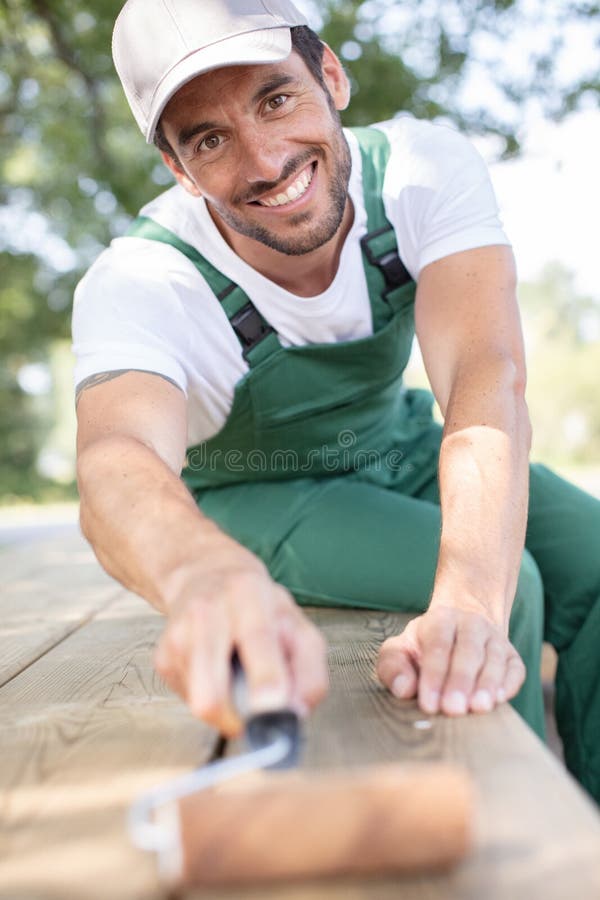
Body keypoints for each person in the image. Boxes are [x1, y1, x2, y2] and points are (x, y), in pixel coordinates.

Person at [73, 0, 600, 802]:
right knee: (514, 584)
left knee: (589, 565)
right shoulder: (146, 280)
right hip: (267, 492)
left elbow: (484, 377)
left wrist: (469, 595)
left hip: (400, 447)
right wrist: (203, 576)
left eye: (276, 99)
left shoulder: (424, 171)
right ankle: (518, 835)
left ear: (331, 77)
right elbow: (118, 465)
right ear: (179, 171)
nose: (266, 159)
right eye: (209, 140)